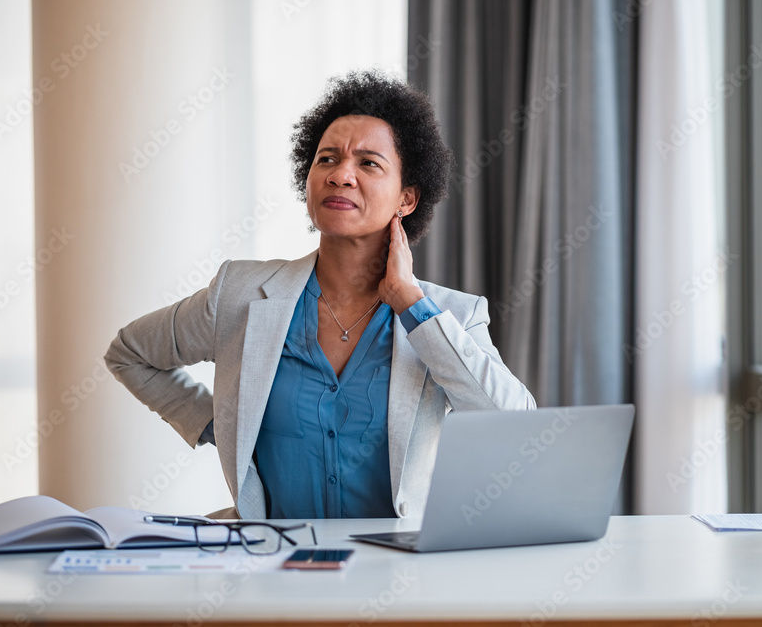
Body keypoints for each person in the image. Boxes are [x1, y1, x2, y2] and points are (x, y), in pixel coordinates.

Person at [104, 70, 536, 521]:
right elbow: (129, 353)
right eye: (327, 159)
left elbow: (514, 424)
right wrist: (223, 424)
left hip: (397, 576)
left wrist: (411, 304)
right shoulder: (239, 294)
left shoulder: (452, 316)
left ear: (406, 199)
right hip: (272, 567)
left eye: (369, 163)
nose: (340, 175)